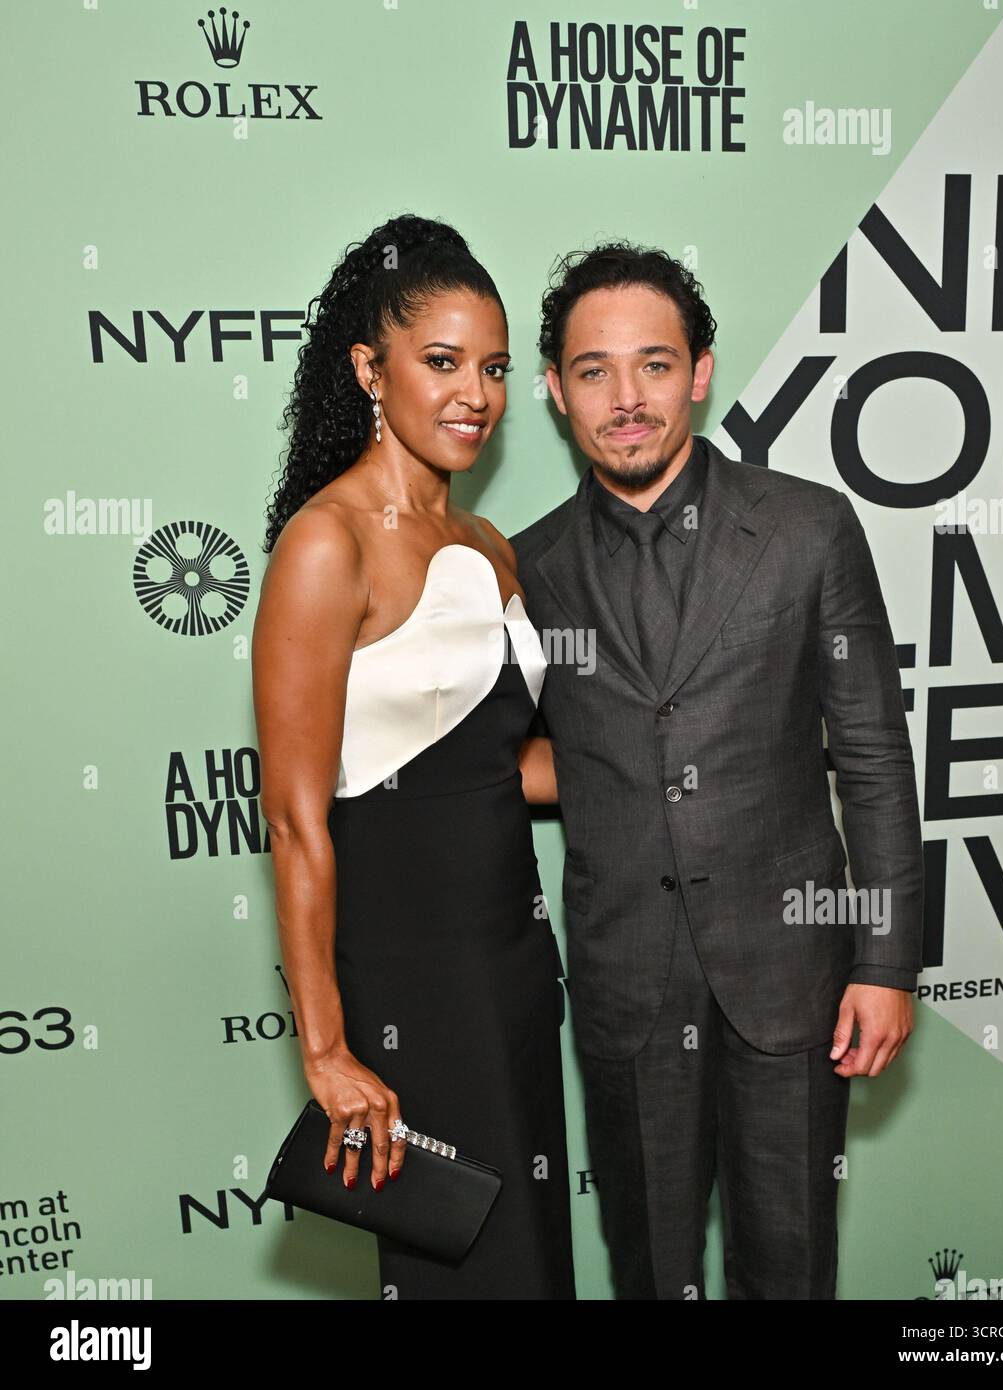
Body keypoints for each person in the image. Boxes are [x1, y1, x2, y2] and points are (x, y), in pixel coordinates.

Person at [510, 241, 924, 1300]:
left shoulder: (807, 528)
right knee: (648, 1269)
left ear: (699, 370)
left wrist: (885, 963)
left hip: (793, 972)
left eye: (653, 363)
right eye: (593, 370)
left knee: (788, 1268)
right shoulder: (527, 567)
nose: (626, 397)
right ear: (555, 391)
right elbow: (505, 760)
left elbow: (873, 754)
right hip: (626, 983)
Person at [251, 214, 575, 1300]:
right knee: (463, 1269)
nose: (473, 394)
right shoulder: (326, 542)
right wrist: (329, 1050)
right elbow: (295, 817)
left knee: (527, 1255)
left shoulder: (489, 546)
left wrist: (698, 758)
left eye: (489, 368)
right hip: (410, 983)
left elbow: (498, 767)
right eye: (439, 362)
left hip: (516, 967)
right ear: (367, 368)